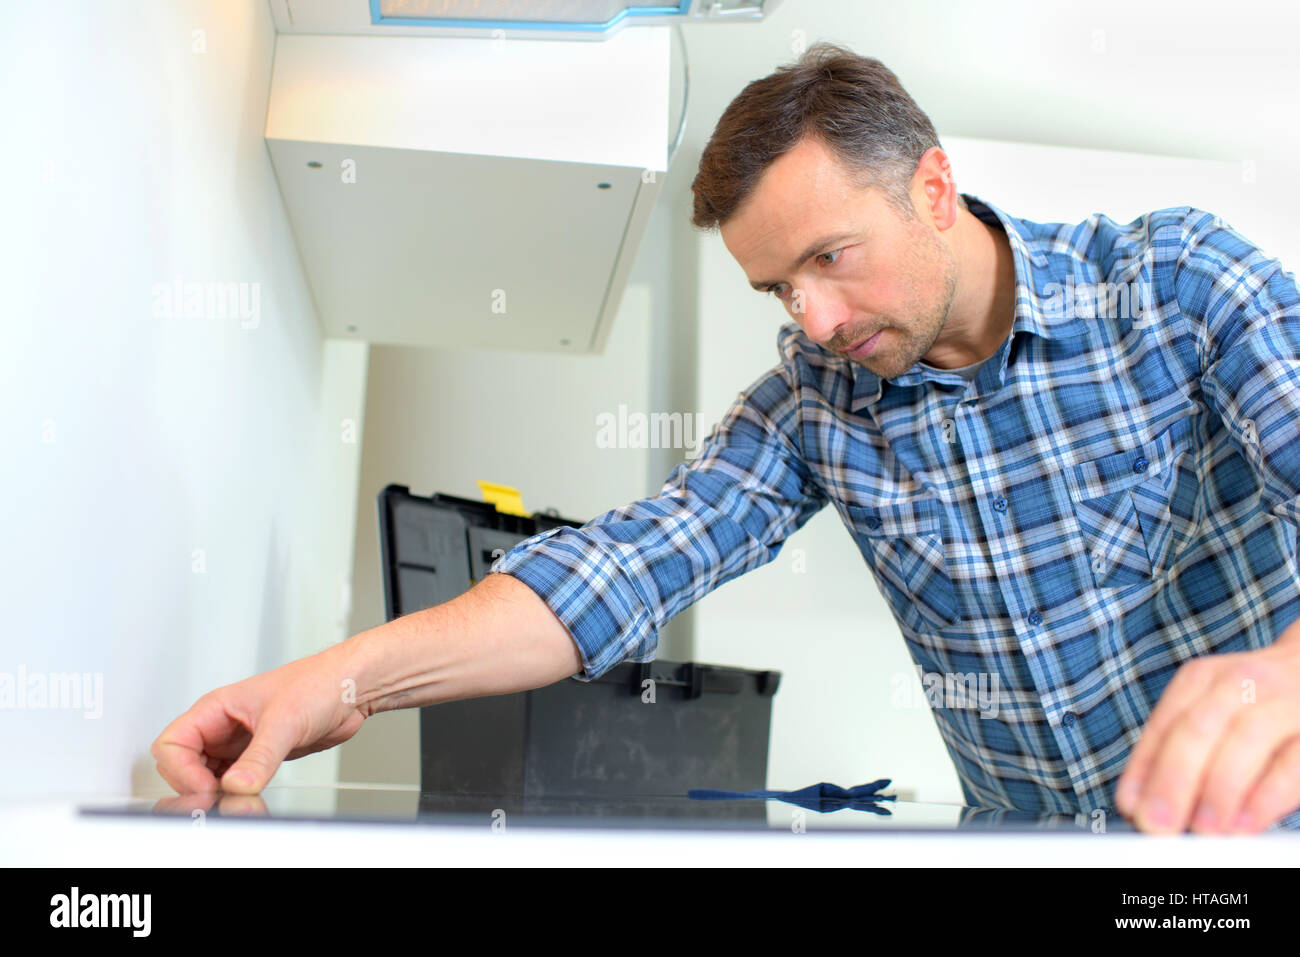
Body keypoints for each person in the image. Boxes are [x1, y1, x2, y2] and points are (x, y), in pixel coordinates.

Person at [153, 41, 1300, 835]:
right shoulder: (814, 400)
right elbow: (616, 571)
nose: (815, 321)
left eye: (831, 258)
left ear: (934, 186)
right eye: (777, 289)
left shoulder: (1171, 283)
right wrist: (335, 680)